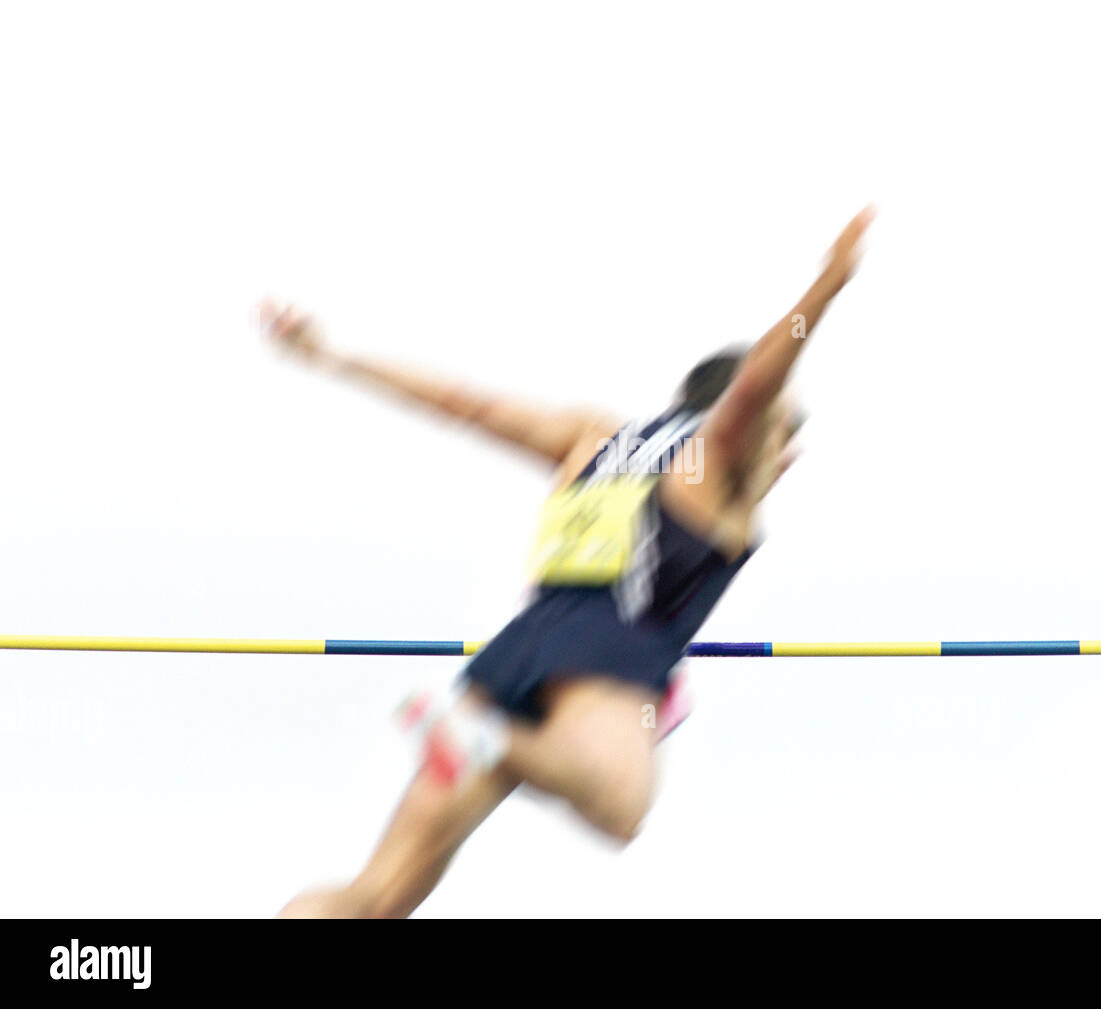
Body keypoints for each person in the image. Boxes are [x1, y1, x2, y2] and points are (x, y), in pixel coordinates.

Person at [264, 208, 875, 917]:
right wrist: (824, 291)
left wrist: (331, 356)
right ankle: (494, 744)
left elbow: (469, 405)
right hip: (604, 660)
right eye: (785, 435)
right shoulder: (720, 455)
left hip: (512, 657)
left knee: (374, 897)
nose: (788, 456)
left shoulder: (597, 437)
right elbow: (755, 384)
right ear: (754, 426)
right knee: (621, 806)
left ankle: (485, 738)